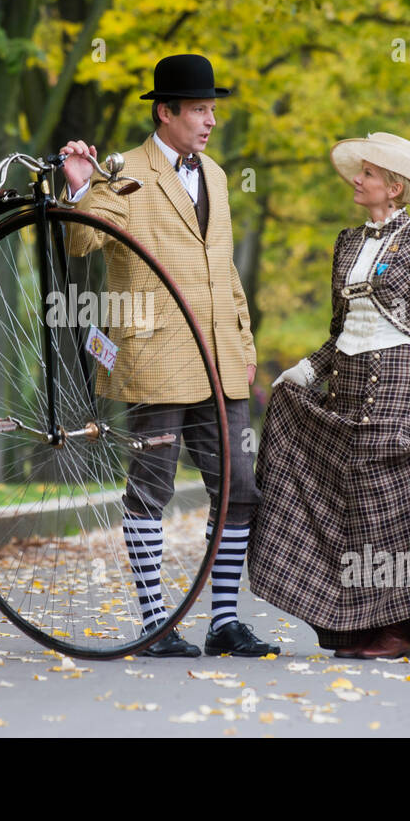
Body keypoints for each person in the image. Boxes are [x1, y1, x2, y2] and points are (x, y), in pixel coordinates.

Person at [57, 54, 278, 658]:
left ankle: (224, 621)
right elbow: (81, 240)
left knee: (237, 488)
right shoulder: (125, 169)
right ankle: (158, 621)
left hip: (221, 356)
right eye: (200, 110)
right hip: (155, 356)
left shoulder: (219, 175)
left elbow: (224, 268)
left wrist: (246, 343)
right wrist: (82, 185)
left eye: (212, 109)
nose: (209, 121)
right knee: (150, 488)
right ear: (166, 112)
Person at [249, 132, 410, 660]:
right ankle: (355, 625)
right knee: (350, 504)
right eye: (359, 172)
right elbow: (340, 330)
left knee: (394, 505)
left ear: (395, 187)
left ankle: (398, 631)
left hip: (398, 381)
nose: (356, 181)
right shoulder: (346, 242)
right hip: (347, 384)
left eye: (367, 174)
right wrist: (306, 370)